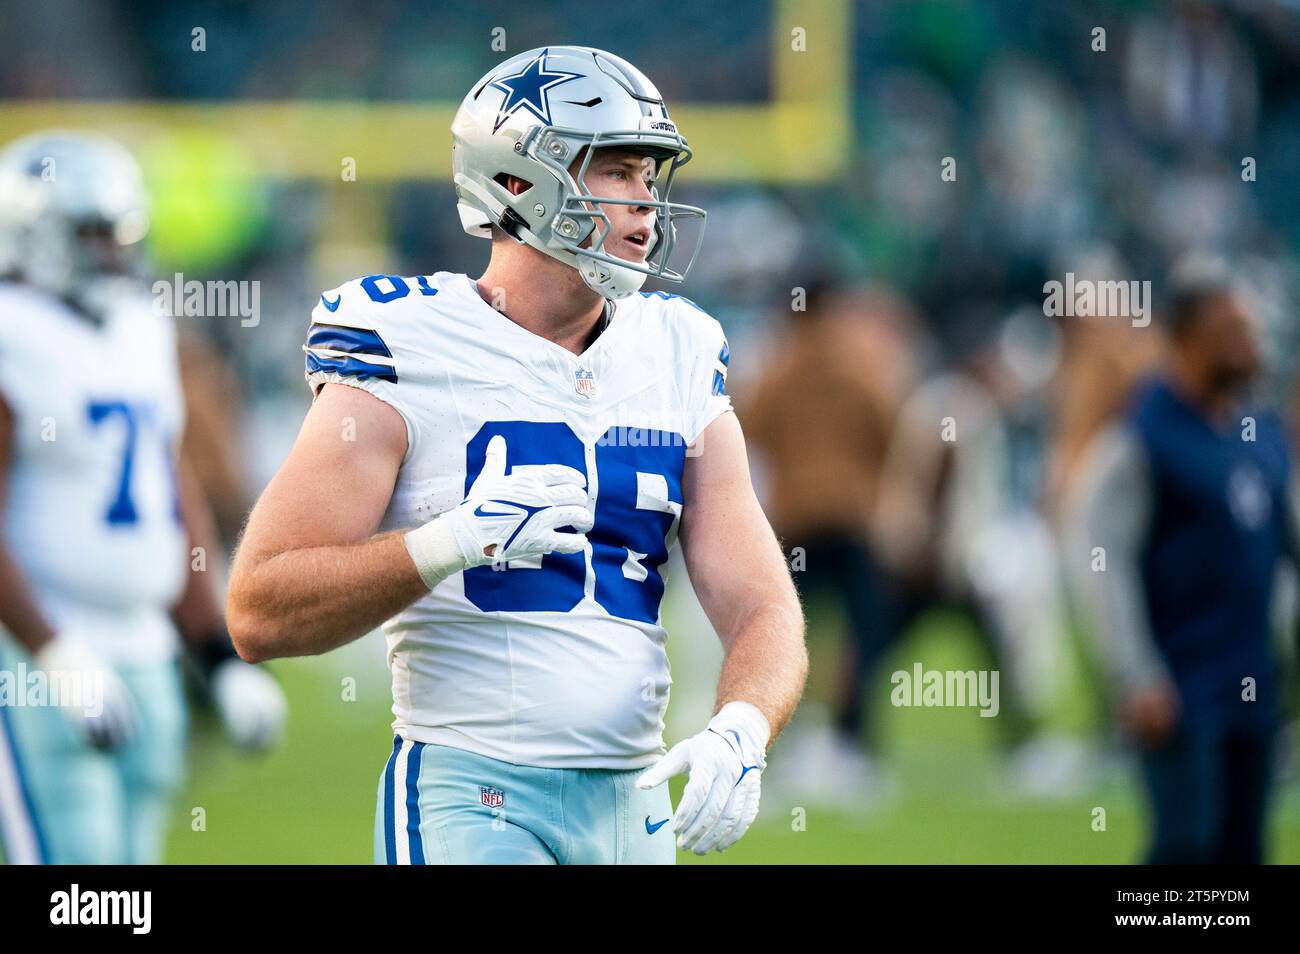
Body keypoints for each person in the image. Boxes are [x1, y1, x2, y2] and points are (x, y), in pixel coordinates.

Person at [226, 46, 808, 865]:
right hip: (471, 793)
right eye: (617, 172)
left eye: (651, 176)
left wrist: (743, 728)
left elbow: (764, 609)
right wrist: (453, 542)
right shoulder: (408, 343)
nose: (648, 205)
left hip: (632, 807)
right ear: (516, 182)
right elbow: (260, 608)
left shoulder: (679, 347)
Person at [0, 131, 286, 864]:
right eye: (91, 233)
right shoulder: (12, 330)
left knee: (131, 872)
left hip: (143, 643)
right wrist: (52, 652)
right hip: (35, 647)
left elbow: (170, 495)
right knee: (75, 873)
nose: (113, 253)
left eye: (121, 233)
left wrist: (215, 654)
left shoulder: (139, 326)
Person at [1068, 274, 1297, 863]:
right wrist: (1135, 672)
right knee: (1184, 850)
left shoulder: (1259, 434)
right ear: (1186, 341)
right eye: (1230, 333)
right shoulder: (1143, 437)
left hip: (1252, 679)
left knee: (1243, 848)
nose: (1250, 347)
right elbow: (1103, 559)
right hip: (1179, 683)